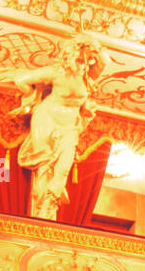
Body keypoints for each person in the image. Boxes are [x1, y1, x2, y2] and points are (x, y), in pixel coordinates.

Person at [11, 32, 107, 220]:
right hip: (46, 120)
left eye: (87, 61)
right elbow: (20, 80)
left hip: (69, 128)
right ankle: (42, 211)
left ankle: (50, 202)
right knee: (45, 168)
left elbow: (105, 62)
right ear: (70, 56)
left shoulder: (88, 78)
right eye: (80, 60)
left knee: (63, 168)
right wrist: (31, 98)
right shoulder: (55, 72)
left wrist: (92, 46)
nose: (84, 64)